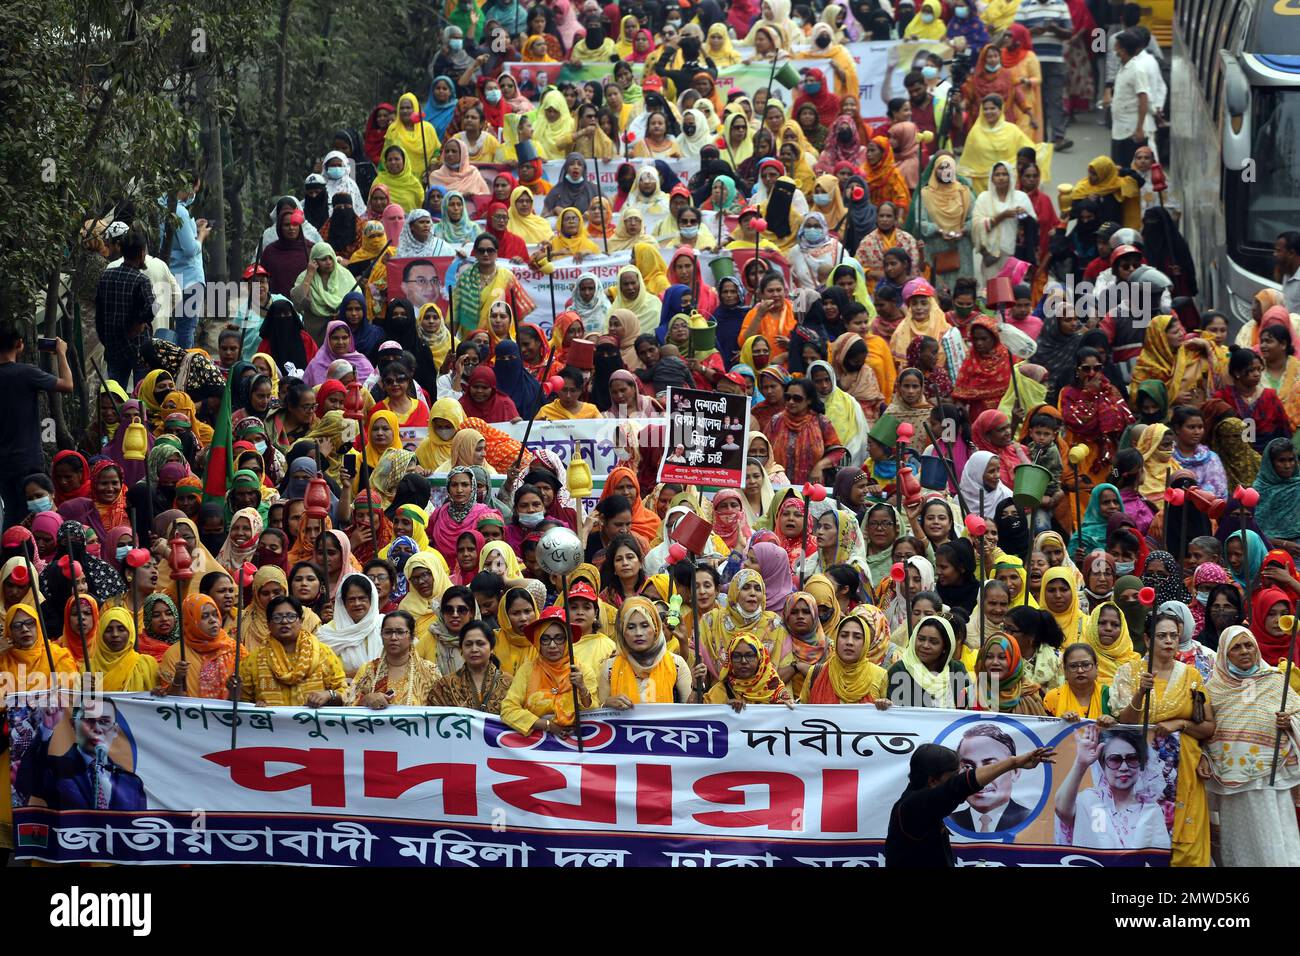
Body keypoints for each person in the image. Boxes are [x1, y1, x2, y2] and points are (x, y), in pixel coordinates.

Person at [1203, 626, 1300, 866]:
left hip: (1271, 777)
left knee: (1278, 839)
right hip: (1231, 780)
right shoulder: (1212, 689)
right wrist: (1204, 756)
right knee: (1241, 845)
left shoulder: (1277, 681)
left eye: (1249, 645)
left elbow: (1298, 712)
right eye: (1236, 647)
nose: (1245, 651)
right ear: (1224, 653)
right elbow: (1204, 732)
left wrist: (1291, 721)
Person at [885, 740, 1054, 867]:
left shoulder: (920, 803)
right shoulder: (913, 808)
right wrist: (1012, 762)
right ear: (933, 781)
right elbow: (958, 787)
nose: (958, 778)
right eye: (953, 776)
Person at [1053, 723, 1169, 850]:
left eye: (1132, 758)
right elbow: (1061, 810)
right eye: (1115, 759)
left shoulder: (1151, 810)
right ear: (1102, 764)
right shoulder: (1089, 801)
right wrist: (1080, 764)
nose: (1124, 767)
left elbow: (1159, 857)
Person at [0, 327, 72, 529]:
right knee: (36, 517)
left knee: (11, 516)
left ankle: (12, 556)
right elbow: (67, 385)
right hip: (27, 461)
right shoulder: (26, 373)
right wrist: (61, 353)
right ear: (19, 343)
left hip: (3, 465)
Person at [20, 698, 147, 812]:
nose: (97, 728)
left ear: (115, 731)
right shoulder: (54, 769)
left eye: (104, 721)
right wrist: (47, 728)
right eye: (89, 720)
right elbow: (25, 782)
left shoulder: (132, 783)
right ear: (73, 725)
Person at [235, 594, 348, 707]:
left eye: (290, 616)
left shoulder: (323, 653)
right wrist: (255, 705)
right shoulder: (254, 660)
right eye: (277, 617)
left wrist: (328, 695)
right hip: (272, 723)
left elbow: (347, 693)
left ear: (301, 620)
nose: (284, 621)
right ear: (268, 624)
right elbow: (242, 703)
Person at [500, 607, 597, 736]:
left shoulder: (582, 671)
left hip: (577, 742)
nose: (552, 645)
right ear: (537, 641)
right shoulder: (527, 670)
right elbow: (508, 710)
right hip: (536, 745)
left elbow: (595, 713)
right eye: (545, 639)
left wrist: (582, 688)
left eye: (559, 638)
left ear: (567, 640)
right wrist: (546, 725)